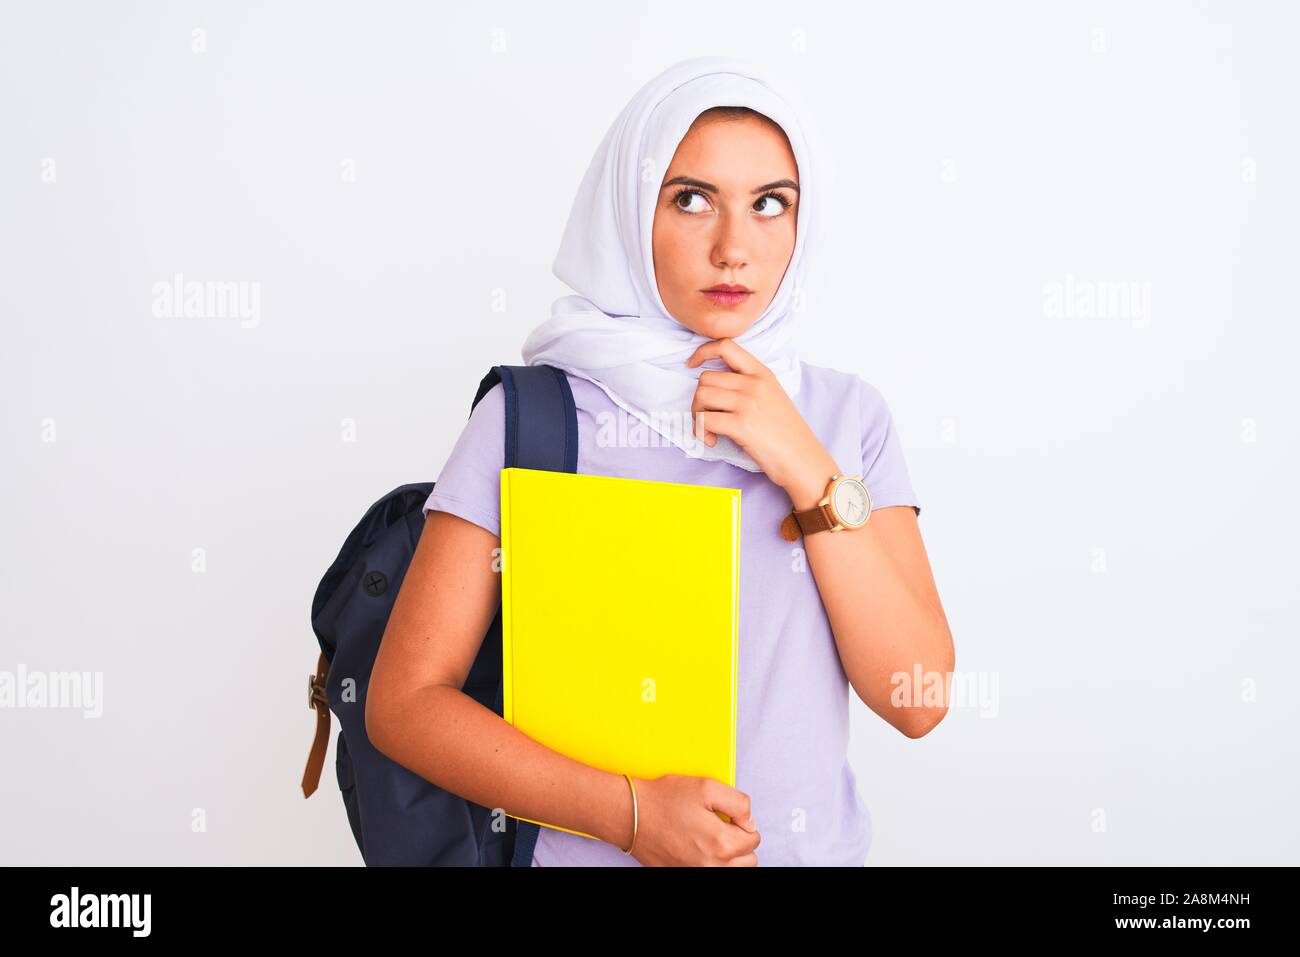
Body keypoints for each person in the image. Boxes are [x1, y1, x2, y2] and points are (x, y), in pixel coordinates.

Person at [366, 55, 954, 867]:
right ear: (628, 211)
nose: (732, 249)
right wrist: (632, 814)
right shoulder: (534, 418)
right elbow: (402, 704)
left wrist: (807, 467)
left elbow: (916, 697)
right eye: (691, 199)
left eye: (769, 204)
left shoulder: (847, 419)